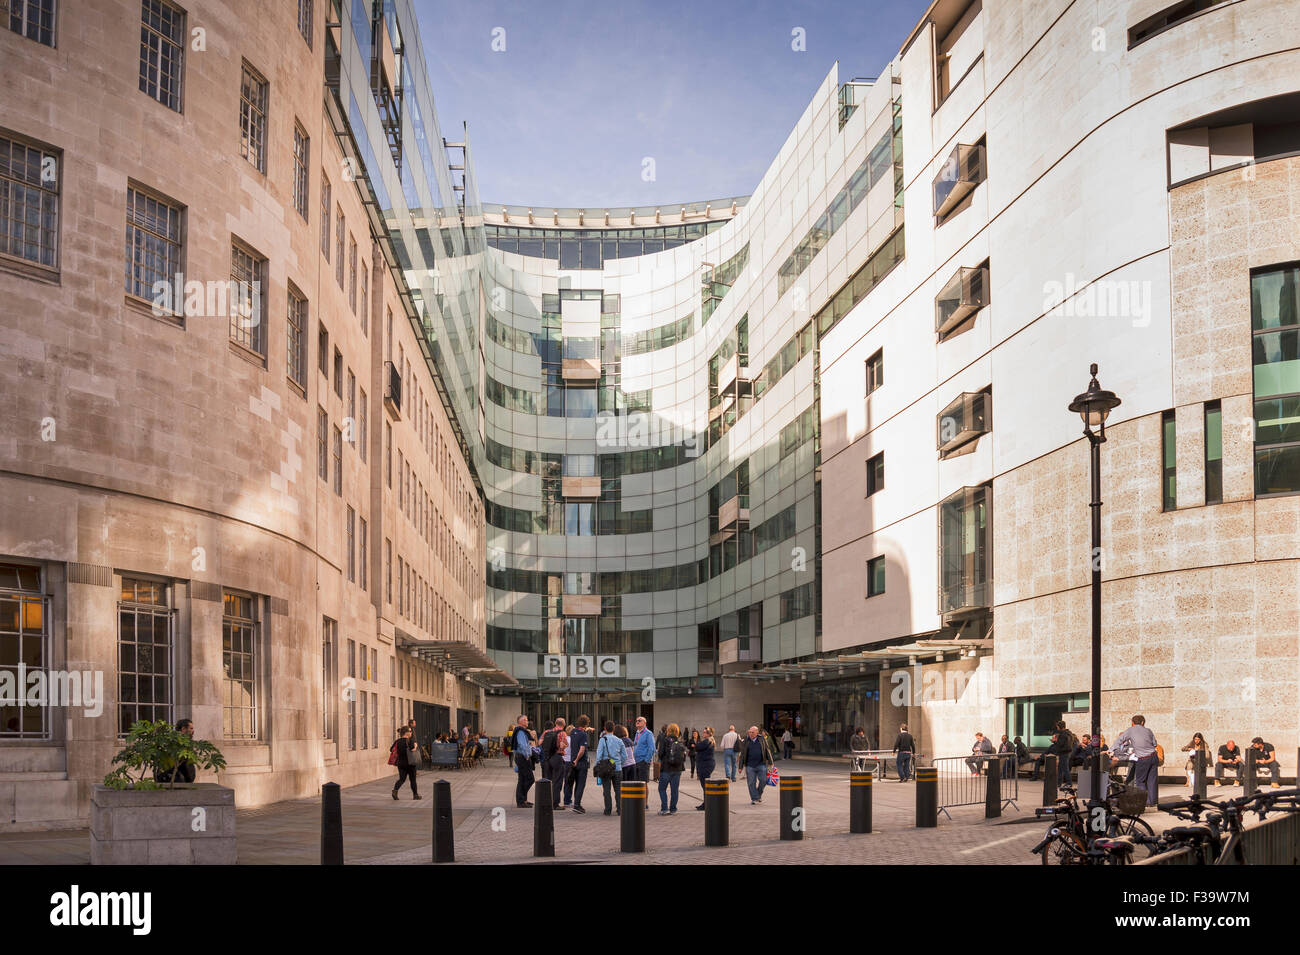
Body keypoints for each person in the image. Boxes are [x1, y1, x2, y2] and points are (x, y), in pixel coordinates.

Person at [1113, 715, 1160, 807]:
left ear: (1133, 723)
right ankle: (1153, 802)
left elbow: (1119, 740)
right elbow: (1155, 744)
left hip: (1143, 758)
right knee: (1152, 780)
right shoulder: (1148, 730)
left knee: (1140, 781)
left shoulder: (1131, 730)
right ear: (1142, 722)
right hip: (1154, 757)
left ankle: (1144, 801)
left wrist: (1111, 750)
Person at [154, 718, 197, 784]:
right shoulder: (173, 743)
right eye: (191, 728)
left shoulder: (186, 743)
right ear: (183, 729)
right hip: (170, 777)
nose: (193, 731)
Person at [656, 723, 686, 814]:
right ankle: (673, 809)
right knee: (674, 790)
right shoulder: (680, 741)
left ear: (668, 731)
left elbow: (660, 754)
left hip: (666, 768)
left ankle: (664, 809)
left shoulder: (664, 740)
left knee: (662, 789)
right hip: (677, 769)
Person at [595, 721, 623, 816]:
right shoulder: (619, 740)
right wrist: (619, 763)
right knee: (618, 790)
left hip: (606, 768)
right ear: (614, 729)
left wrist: (597, 766)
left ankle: (608, 810)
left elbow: (599, 755)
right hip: (617, 768)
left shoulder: (603, 740)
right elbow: (625, 756)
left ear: (605, 729)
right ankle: (620, 809)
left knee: (606, 790)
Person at [741, 725, 775, 805]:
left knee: (763, 780)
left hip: (761, 764)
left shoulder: (762, 739)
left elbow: (767, 750)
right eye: (749, 732)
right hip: (750, 765)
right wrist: (740, 766)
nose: (751, 734)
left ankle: (758, 795)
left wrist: (771, 762)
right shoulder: (746, 740)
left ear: (757, 733)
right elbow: (743, 754)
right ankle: (754, 798)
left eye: (752, 732)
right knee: (751, 782)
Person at [563, 715, 590, 813]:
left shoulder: (573, 732)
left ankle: (575, 803)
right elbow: (582, 749)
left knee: (572, 783)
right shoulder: (583, 734)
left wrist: (574, 760)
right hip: (581, 762)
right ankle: (577, 805)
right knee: (580, 784)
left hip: (572, 762)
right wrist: (577, 759)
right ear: (586, 724)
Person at [541, 717, 569, 808]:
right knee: (557, 781)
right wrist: (562, 746)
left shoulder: (547, 732)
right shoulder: (562, 733)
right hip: (557, 757)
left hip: (547, 758)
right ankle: (555, 803)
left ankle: (546, 801)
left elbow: (540, 742)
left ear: (555, 723)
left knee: (548, 780)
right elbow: (564, 745)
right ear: (564, 725)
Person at [391, 725, 421, 800]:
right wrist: (415, 746)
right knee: (413, 779)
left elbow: (391, 749)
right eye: (410, 731)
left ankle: (395, 791)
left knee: (402, 779)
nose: (411, 733)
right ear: (406, 733)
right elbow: (412, 749)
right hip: (410, 763)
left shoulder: (397, 741)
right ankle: (415, 795)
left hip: (401, 763)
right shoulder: (409, 741)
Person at [512, 715, 535, 808]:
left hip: (521, 756)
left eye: (527, 720)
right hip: (522, 757)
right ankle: (521, 799)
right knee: (529, 779)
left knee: (522, 779)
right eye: (525, 720)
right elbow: (522, 745)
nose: (527, 721)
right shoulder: (521, 731)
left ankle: (523, 800)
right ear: (520, 722)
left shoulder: (521, 731)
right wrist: (526, 755)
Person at [694, 727, 716, 809]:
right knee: (705, 785)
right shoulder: (710, 740)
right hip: (707, 764)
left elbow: (697, 747)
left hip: (705, 765)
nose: (703, 734)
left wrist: (696, 740)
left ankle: (707, 804)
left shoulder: (707, 741)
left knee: (705, 786)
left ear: (708, 733)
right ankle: (706, 803)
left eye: (704, 732)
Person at [632, 716, 656, 782]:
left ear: (645, 723)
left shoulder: (648, 733)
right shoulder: (637, 733)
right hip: (636, 761)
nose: (637, 722)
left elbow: (652, 748)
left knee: (643, 784)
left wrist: (646, 761)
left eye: (639, 721)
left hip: (643, 761)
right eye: (636, 721)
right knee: (637, 783)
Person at [618, 724, 636, 796]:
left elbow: (620, 755)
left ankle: (623, 802)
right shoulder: (629, 740)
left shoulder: (619, 741)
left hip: (624, 766)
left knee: (623, 785)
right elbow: (633, 751)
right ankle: (631, 802)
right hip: (632, 764)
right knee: (631, 785)